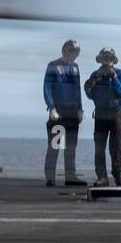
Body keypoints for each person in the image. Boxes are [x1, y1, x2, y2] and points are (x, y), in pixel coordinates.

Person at [43, 39, 86, 187]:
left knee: (71, 147)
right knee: (54, 146)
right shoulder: (53, 66)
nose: (76, 55)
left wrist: (80, 109)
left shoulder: (75, 68)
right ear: (66, 51)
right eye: (74, 52)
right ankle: (50, 177)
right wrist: (52, 108)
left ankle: (70, 177)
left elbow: (78, 90)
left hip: (72, 113)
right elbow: (47, 88)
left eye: (77, 53)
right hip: (58, 112)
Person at [83, 47, 121, 187]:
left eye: (109, 58)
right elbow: (90, 95)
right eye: (105, 58)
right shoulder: (95, 74)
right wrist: (88, 87)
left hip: (115, 115)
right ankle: (102, 177)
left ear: (113, 60)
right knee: (99, 148)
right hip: (100, 115)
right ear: (100, 59)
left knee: (116, 148)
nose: (107, 61)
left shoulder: (120, 73)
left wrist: (113, 77)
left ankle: (118, 176)